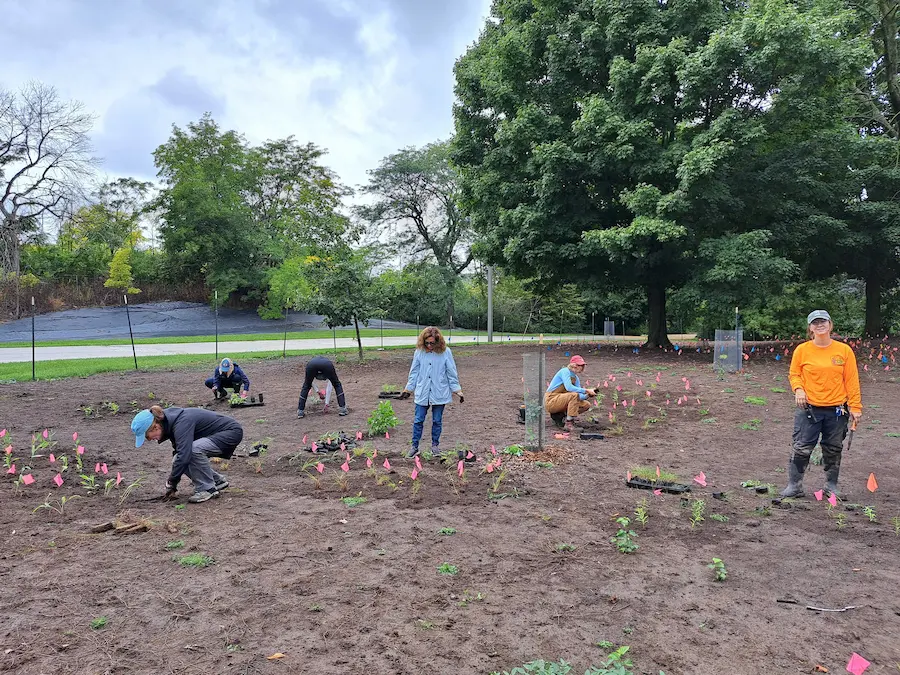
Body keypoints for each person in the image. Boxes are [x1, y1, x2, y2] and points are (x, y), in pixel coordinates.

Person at [780, 310, 862, 498]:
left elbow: (852, 380)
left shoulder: (844, 351)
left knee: (833, 448)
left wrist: (855, 407)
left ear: (830, 325)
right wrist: (798, 389)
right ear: (810, 328)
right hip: (809, 409)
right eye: (815, 323)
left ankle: (830, 486)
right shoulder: (802, 350)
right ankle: (795, 486)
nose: (820, 325)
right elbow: (794, 374)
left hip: (837, 410)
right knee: (802, 446)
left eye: (823, 321)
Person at [131, 405, 244, 503]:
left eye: (147, 436)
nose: (150, 440)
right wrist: (173, 482)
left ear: (155, 427)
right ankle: (216, 481)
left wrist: (172, 481)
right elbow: (180, 455)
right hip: (218, 435)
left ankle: (207, 489)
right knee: (177, 458)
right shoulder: (171, 423)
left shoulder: (181, 422)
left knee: (192, 450)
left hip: (230, 432)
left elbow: (185, 454)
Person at [400, 326, 463, 458]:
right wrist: (408, 389)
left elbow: (451, 372)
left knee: (437, 420)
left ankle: (435, 446)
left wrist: (457, 390)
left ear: (438, 341)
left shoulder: (446, 352)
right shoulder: (419, 352)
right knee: (418, 420)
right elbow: (414, 372)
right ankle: (414, 446)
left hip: (439, 392)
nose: (429, 345)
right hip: (422, 392)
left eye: (432, 343)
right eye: (427, 342)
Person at [544, 355, 597, 431]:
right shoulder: (565, 371)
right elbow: (569, 387)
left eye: (582, 365)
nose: (582, 367)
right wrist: (586, 390)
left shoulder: (575, 378)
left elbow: (579, 397)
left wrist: (588, 395)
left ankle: (562, 417)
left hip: (561, 399)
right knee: (573, 395)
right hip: (551, 400)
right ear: (574, 365)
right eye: (580, 365)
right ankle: (569, 423)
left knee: (586, 404)